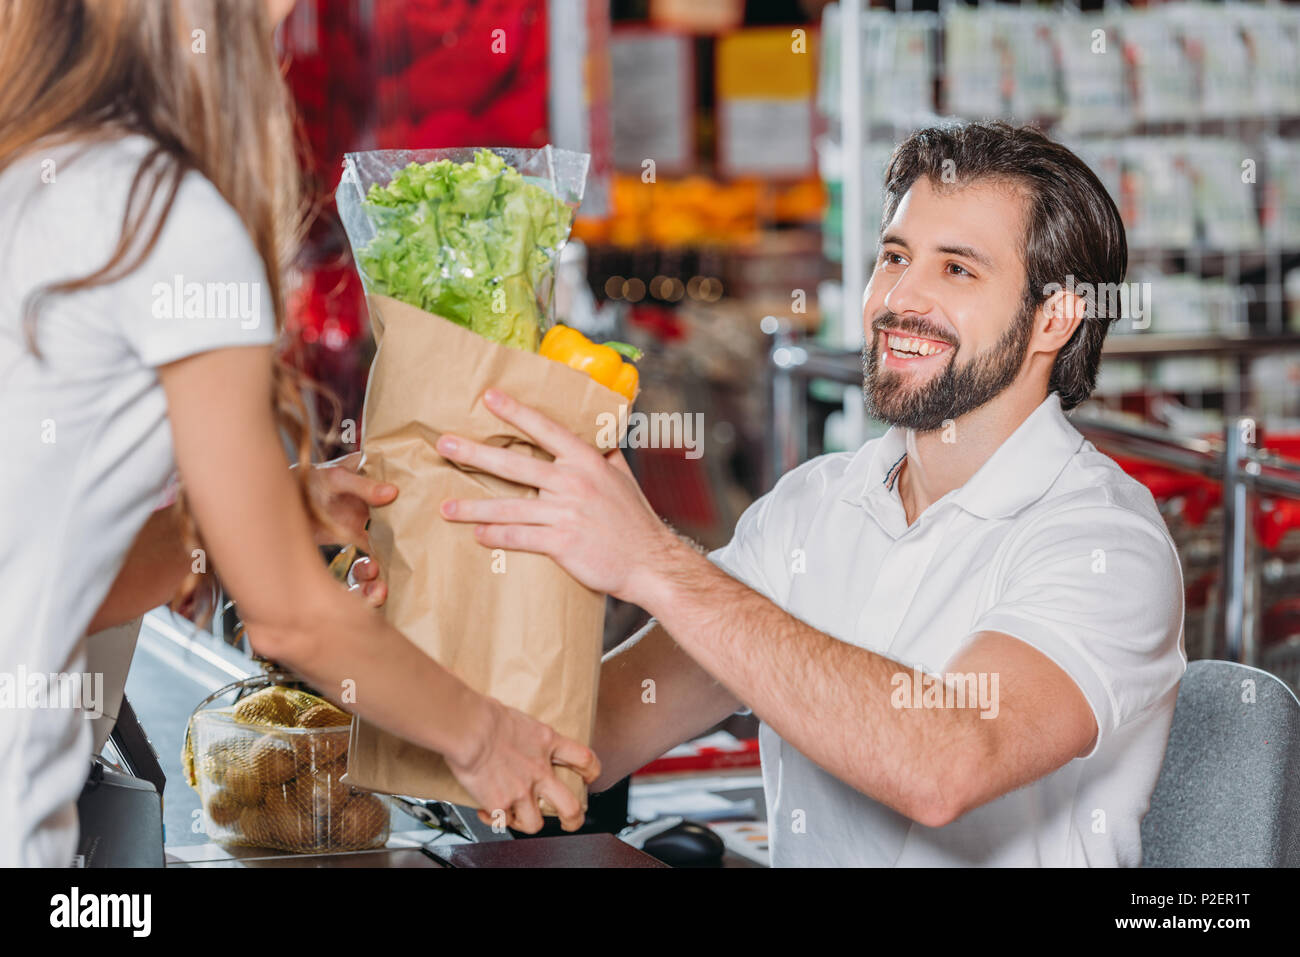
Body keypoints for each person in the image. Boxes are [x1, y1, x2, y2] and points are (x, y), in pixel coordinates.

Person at [423, 121, 1187, 866]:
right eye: (894, 256)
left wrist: (653, 559)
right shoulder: (815, 503)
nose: (900, 298)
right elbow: (587, 740)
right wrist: (429, 614)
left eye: (957, 269)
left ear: (1055, 316)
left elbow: (946, 762)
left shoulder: (1103, 540)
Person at [0, 0, 597, 868]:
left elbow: (59, 573)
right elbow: (290, 619)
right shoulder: (168, 217)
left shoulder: (35, 176)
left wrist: (265, 512)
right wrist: (483, 737)